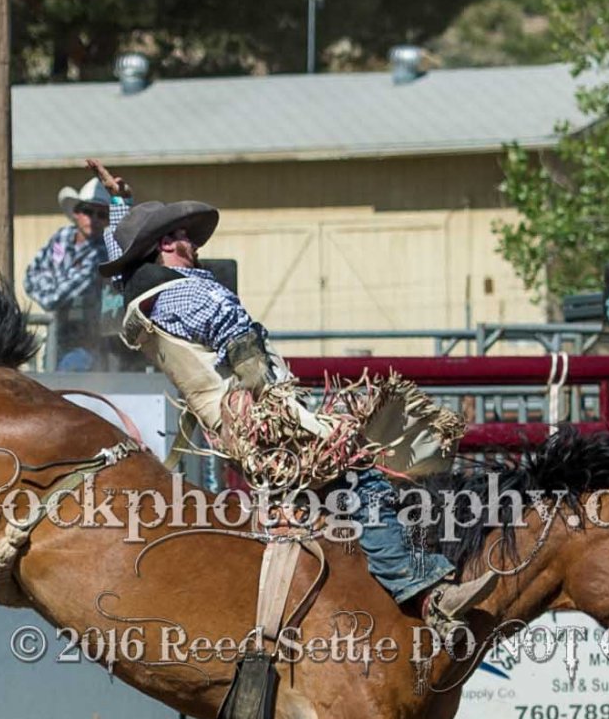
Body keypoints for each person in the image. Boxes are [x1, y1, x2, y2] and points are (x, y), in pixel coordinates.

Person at [85, 158, 492, 629]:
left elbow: (123, 267)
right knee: (357, 475)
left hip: (239, 420)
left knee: (342, 481)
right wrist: (249, 355)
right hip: (258, 415)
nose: (193, 244)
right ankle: (417, 589)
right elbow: (225, 322)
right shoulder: (180, 293)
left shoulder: (141, 292)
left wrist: (120, 204)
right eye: (182, 236)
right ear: (164, 245)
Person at [23, 176, 112, 371]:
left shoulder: (101, 254)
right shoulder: (61, 238)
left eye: (101, 215)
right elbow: (31, 275)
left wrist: (48, 284)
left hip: (85, 341)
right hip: (55, 336)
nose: (94, 219)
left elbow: (54, 296)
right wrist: (52, 286)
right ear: (77, 213)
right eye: (88, 211)